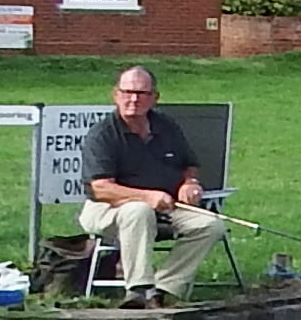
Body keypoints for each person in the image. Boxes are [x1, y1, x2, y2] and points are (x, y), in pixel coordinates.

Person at [79, 67, 227, 298]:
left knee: (210, 225)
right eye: (127, 92)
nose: (134, 99)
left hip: (166, 207)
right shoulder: (102, 135)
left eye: (142, 93)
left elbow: (190, 163)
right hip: (108, 209)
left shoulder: (166, 126)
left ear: (155, 98)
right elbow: (100, 188)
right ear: (115, 95)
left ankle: (165, 289)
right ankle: (138, 291)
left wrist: (190, 182)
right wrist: (147, 197)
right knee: (138, 211)